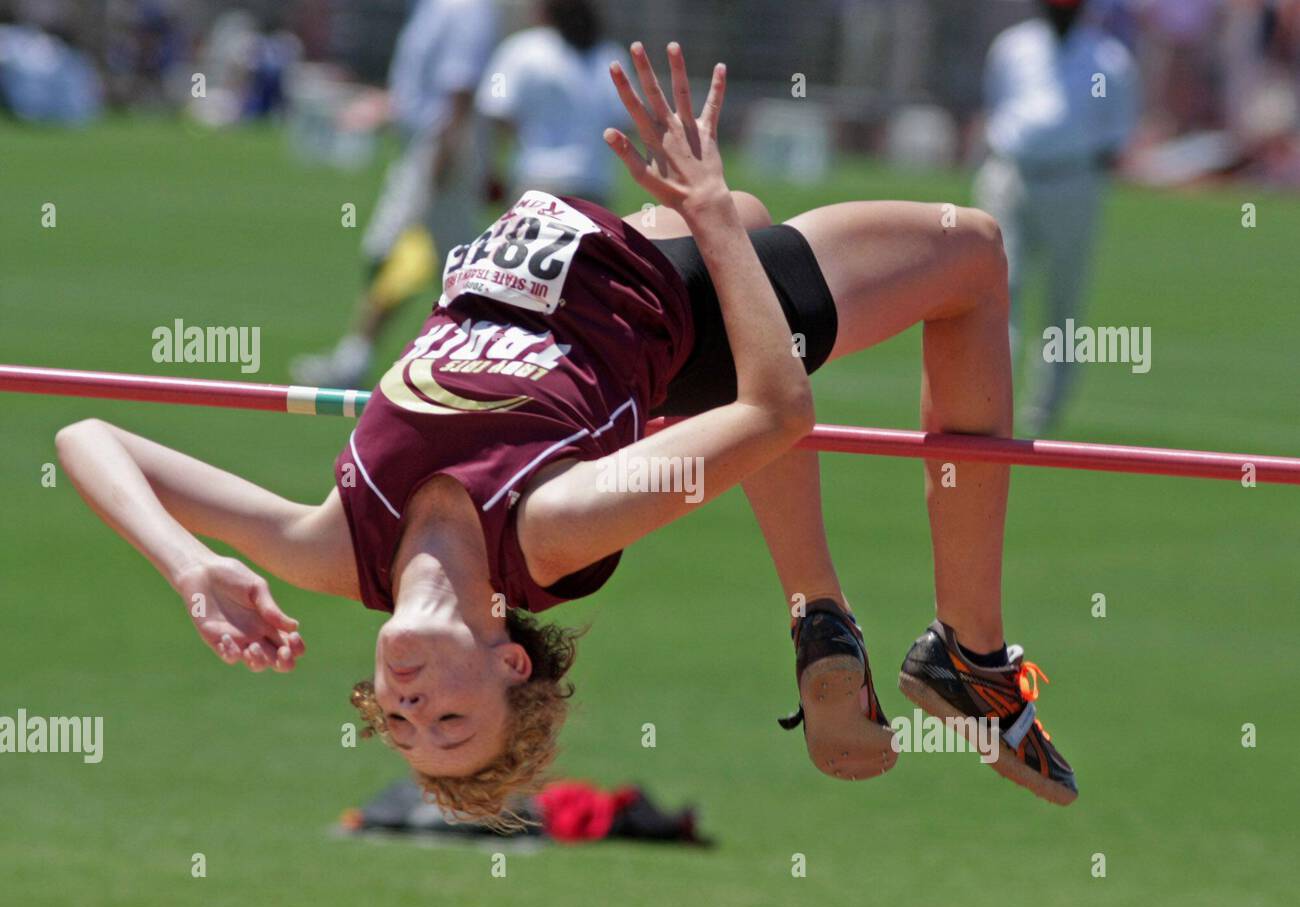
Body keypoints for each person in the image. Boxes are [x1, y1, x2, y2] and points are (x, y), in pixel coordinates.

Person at [56, 43, 1074, 831]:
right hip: (662, 303)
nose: (411, 708)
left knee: (765, 218)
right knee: (973, 255)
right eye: (447, 721)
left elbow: (90, 434)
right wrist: (712, 215)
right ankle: (967, 650)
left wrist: (191, 568)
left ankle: (820, 614)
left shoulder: (334, 549)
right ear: (507, 667)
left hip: (593, 255)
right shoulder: (548, 532)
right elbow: (774, 413)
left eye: (399, 723)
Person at [291, 0, 498, 390]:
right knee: (426, 260)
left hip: (440, 147)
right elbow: (422, 84)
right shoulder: (435, 8)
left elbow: (461, 86)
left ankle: (485, 357)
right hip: (423, 144)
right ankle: (362, 356)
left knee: (435, 261)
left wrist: (445, 155)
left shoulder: (466, 8)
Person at [974, 0, 1138, 436]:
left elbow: (1115, 134)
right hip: (1010, 172)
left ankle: (1044, 414)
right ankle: (991, 402)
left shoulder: (1109, 60)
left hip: (1073, 179)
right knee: (996, 291)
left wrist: (1073, 164)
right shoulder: (1012, 47)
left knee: (1063, 302)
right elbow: (997, 107)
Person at [475, 0, 627, 206]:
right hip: (593, 186)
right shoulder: (609, 54)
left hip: (535, 182)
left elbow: (495, 111)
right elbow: (624, 121)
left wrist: (490, 170)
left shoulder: (520, 48)